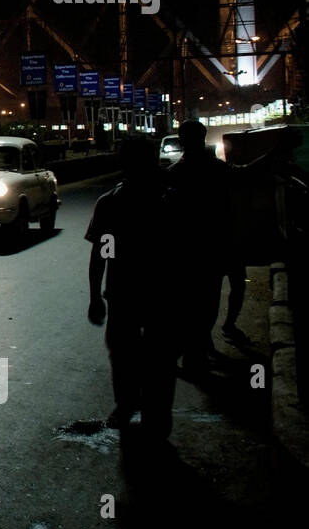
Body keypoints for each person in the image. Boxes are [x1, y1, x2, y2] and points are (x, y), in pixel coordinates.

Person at [86, 135, 182, 439]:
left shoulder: (112, 202)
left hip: (123, 294)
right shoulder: (171, 201)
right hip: (162, 295)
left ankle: (127, 404)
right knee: (162, 357)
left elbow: (101, 254)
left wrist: (94, 297)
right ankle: (157, 413)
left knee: (123, 354)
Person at [165, 120, 236, 376]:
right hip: (211, 250)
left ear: (183, 141)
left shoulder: (173, 174)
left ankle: (192, 352)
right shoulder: (219, 171)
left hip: (184, 253)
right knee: (206, 304)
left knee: (186, 305)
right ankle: (198, 350)